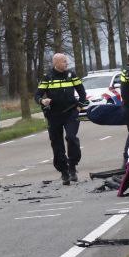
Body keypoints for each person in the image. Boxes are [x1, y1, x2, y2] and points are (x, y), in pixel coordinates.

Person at [36, 52, 88, 185]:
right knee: (56, 142)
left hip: (71, 112)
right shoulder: (47, 77)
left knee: (71, 137)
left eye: (66, 61)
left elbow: (82, 93)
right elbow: (37, 96)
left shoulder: (71, 75)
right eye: (64, 61)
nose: (66, 63)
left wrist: (79, 107)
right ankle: (64, 171)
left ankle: (72, 166)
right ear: (56, 63)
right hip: (54, 115)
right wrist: (43, 101)